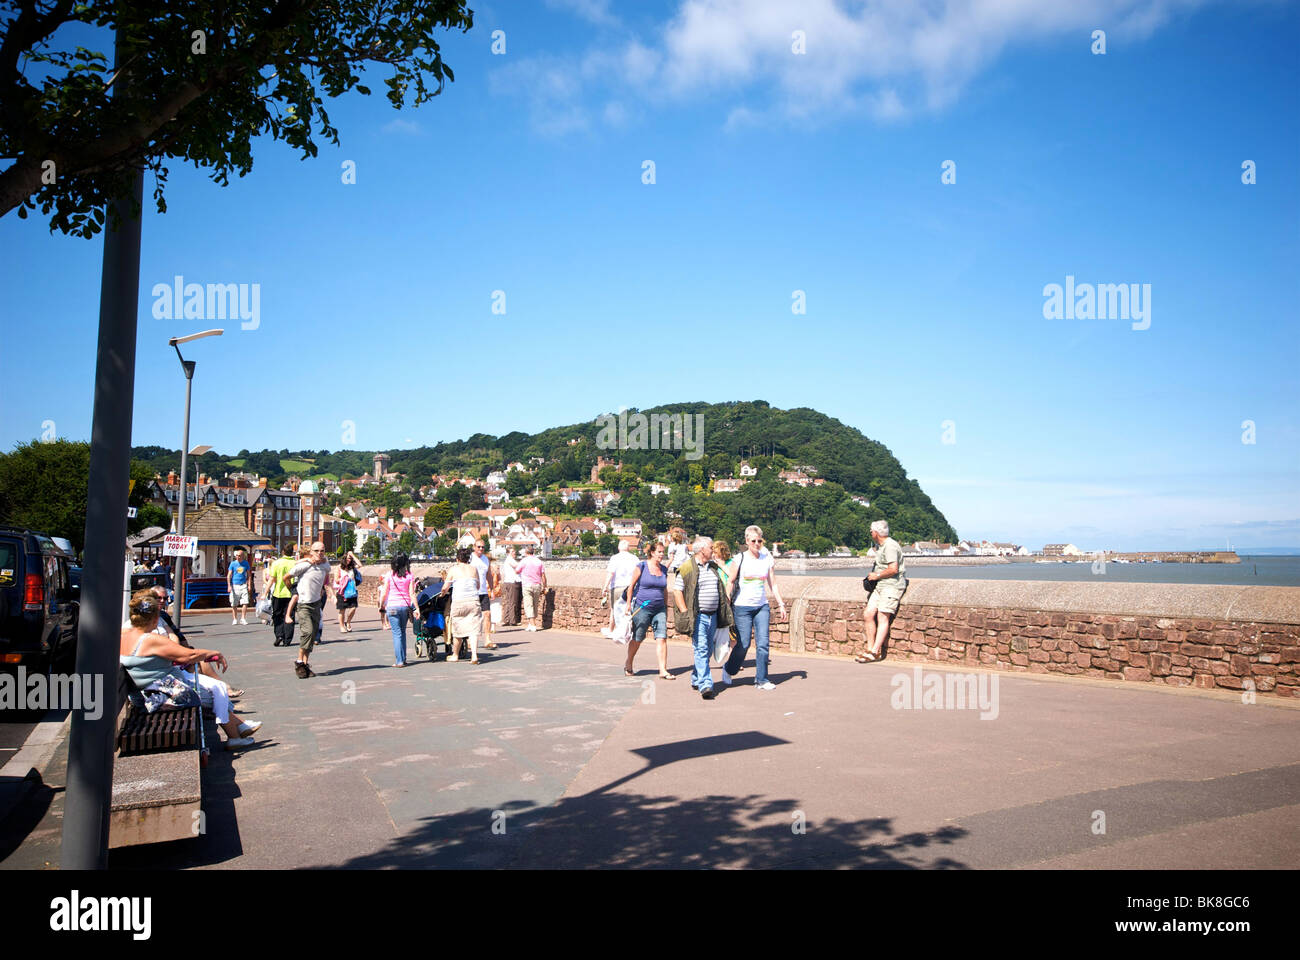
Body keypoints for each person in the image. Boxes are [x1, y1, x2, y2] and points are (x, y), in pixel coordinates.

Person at [119, 590, 262, 750]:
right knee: (216, 694)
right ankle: (235, 735)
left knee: (215, 690)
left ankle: (239, 730)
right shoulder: (150, 640)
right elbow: (188, 655)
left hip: (145, 695)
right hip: (161, 697)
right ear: (154, 619)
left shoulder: (123, 634)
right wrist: (214, 653)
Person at [721, 525, 786, 690]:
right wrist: (726, 603)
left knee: (763, 643)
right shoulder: (740, 558)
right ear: (747, 541)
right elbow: (731, 581)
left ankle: (762, 680)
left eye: (759, 540)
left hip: (761, 606)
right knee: (743, 645)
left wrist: (781, 603)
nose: (757, 544)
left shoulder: (767, 557)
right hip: (742, 607)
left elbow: (773, 583)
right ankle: (729, 669)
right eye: (753, 541)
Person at [671, 536, 733, 701]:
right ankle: (706, 684)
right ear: (701, 550)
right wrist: (685, 611)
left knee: (709, 650)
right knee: (701, 649)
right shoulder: (686, 568)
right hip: (698, 616)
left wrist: (720, 565)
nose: (713, 550)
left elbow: (732, 577)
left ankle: (696, 677)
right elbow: (677, 590)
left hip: (713, 615)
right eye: (711, 548)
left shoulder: (713, 567)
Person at [857, 520, 907, 663]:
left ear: (876, 533)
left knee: (882, 617)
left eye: (871, 531)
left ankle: (875, 652)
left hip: (892, 586)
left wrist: (876, 575)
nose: (870, 533)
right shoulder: (881, 546)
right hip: (880, 586)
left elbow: (893, 569)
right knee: (868, 614)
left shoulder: (890, 546)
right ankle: (870, 649)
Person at [622, 540, 672, 679]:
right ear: (652, 553)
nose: (662, 555)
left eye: (663, 552)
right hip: (642, 607)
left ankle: (663, 670)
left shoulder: (663, 569)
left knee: (662, 638)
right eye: (659, 552)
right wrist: (628, 606)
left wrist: (666, 606)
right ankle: (629, 662)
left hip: (659, 608)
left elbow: (664, 589)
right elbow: (631, 586)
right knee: (638, 638)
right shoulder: (642, 566)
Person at [285, 542, 334, 678]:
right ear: (311, 552)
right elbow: (286, 577)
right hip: (304, 604)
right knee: (307, 631)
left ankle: (305, 664)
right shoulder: (304, 565)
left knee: (313, 635)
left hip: (316, 603)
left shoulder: (325, 565)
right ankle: (299, 662)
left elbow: (326, 578)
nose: (320, 553)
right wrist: (292, 590)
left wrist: (325, 591)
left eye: (322, 551)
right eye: (316, 551)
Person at [440, 546, 482, 663]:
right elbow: (477, 586)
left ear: (457, 558)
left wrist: (442, 594)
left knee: (457, 630)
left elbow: (445, 587)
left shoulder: (454, 569)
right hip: (473, 601)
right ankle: (474, 656)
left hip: (459, 601)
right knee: (473, 630)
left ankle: (455, 655)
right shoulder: (474, 569)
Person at [378, 553, 418, 667]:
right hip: (404, 607)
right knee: (403, 632)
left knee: (397, 634)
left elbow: (385, 592)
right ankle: (403, 658)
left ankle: (399, 661)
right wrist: (417, 608)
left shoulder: (389, 575)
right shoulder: (409, 575)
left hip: (392, 607)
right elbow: (412, 593)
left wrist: (381, 605)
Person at [603, 540, 641, 633]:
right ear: (628, 548)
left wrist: (605, 587)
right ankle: (628, 631)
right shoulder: (634, 558)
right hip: (630, 587)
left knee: (614, 610)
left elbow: (611, 573)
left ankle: (612, 630)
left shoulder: (614, 558)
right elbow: (639, 573)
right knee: (628, 609)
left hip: (616, 587)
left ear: (618, 548)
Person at [267, 544, 297, 647]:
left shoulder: (276, 563)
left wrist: (265, 592)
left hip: (278, 593)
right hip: (291, 593)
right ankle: (287, 639)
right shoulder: (295, 563)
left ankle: (279, 635)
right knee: (289, 615)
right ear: (292, 553)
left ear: (283, 552)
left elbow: (272, 579)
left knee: (277, 615)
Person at [470, 539, 495, 648]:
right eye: (479, 547)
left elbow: (489, 574)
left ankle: (487, 640)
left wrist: (492, 589)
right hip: (471, 591)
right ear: (474, 547)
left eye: (482, 547)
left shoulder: (485, 559)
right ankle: (469, 640)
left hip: (483, 591)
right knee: (472, 617)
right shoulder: (470, 558)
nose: (481, 549)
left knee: (487, 614)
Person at [517, 544, 547, 632]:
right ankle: (530, 624)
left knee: (528, 604)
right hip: (537, 584)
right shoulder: (539, 561)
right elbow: (543, 576)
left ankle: (533, 624)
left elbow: (517, 570)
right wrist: (545, 586)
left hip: (527, 584)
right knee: (535, 604)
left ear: (526, 552)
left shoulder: (524, 561)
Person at [335, 551, 362, 632]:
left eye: (350, 559)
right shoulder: (339, 567)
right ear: (344, 559)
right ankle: (342, 626)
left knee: (353, 608)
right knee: (342, 610)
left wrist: (353, 555)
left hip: (352, 590)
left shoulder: (352, 567)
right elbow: (336, 580)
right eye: (348, 558)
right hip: (342, 591)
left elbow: (360, 565)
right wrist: (344, 579)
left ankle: (348, 622)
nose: (349, 560)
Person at [226, 548, 252, 626]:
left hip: (243, 584)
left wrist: (249, 585)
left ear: (243, 556)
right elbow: (229, 575)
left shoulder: (246, 563)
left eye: (239, 556)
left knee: (245, 601)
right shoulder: (233, 564)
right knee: (234, 603)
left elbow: (249, 575)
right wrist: (229, 586)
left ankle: (243, 618)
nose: (238, 557)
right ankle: (235, 619)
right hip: (235, 585)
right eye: (237, 555)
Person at [499, 547, 522, 626]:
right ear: (508, 553)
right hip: (512, 582)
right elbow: (518, 567)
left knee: (508, 601)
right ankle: (512, 620)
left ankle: (506, 619)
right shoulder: (510, 560)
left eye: (514, 551)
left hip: (508, 582)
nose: (514, 553)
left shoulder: (507, 560)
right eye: (512, 551)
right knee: (513, 602)